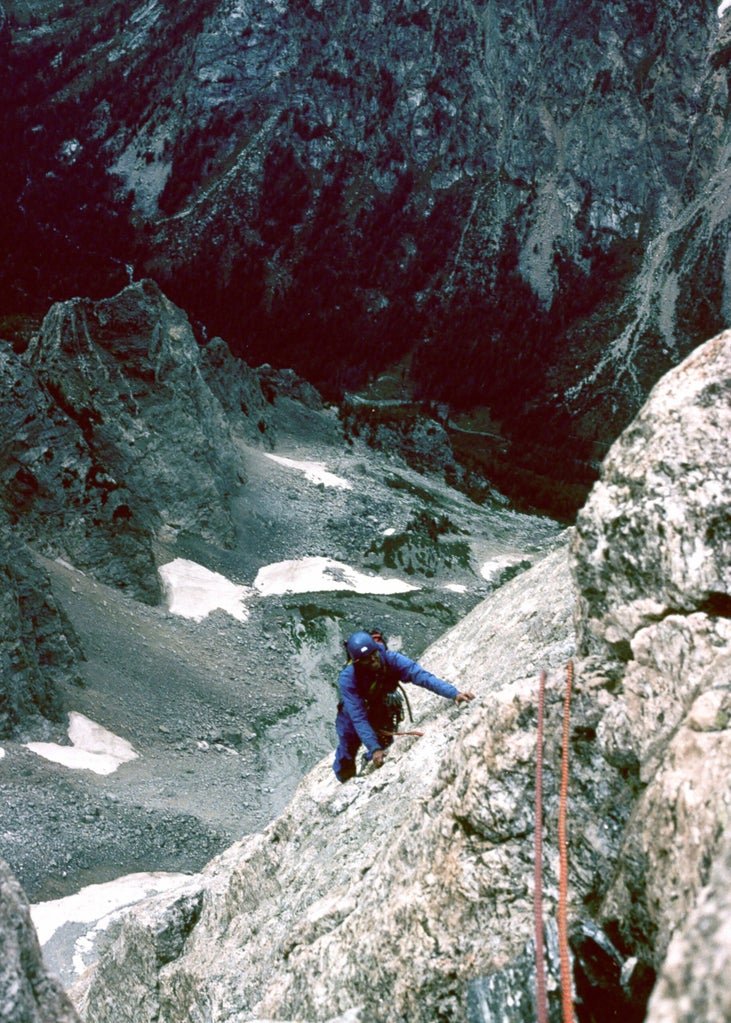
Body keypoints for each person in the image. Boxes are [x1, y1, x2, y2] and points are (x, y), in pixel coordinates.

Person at [333, 630, 475, 782]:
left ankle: (369, 763)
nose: (373, 660)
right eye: (367, 660)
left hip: (380, 707)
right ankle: (345, 779)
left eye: (374, 654)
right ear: (357, 663)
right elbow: (358, 716)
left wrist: (454, 693)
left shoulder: (391, 660)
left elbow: (421, 676)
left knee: (384, 745)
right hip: (350, 716)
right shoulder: (348, 678)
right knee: (348, 747)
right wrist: (374, 748)